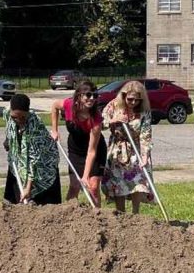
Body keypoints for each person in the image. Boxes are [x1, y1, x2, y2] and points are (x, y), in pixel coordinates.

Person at [50, 80, 106, 207]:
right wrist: (55, 130)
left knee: (93, 187)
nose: (91, 98)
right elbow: (54, 106)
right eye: (88, 95)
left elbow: (92, 151)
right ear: (79, 95)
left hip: (95, 151)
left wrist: (85, 176)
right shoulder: (69, 105)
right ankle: (68, 215)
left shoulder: (96, 119)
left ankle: (96, 216)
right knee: (75, 186)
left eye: (95, 95)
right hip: (75, 149)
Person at [102, 81, 155, 213]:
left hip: (135, 150)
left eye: (137, 100)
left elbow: (145, 134)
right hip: (117, 150)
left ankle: (135, 214)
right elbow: (101, 123)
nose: (133, 102)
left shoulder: (144, 111)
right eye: (130, 99)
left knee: (138, 183)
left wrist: (145, 156)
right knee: (118, 184)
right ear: (124, 95)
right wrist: (113, 120)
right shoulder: (113, 105)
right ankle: (121, 214)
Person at [3, 94, 61, 205]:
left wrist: (28, 188)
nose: (19, 120)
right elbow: (9, 126)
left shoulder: (35, 127)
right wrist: (8, 139)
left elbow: (34, 160)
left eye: (23, 117)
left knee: (40, 201)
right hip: (20, 160)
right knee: (16, 196)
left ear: (28, 112)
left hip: (44, 163)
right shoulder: (8, 113)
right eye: (15, 117)